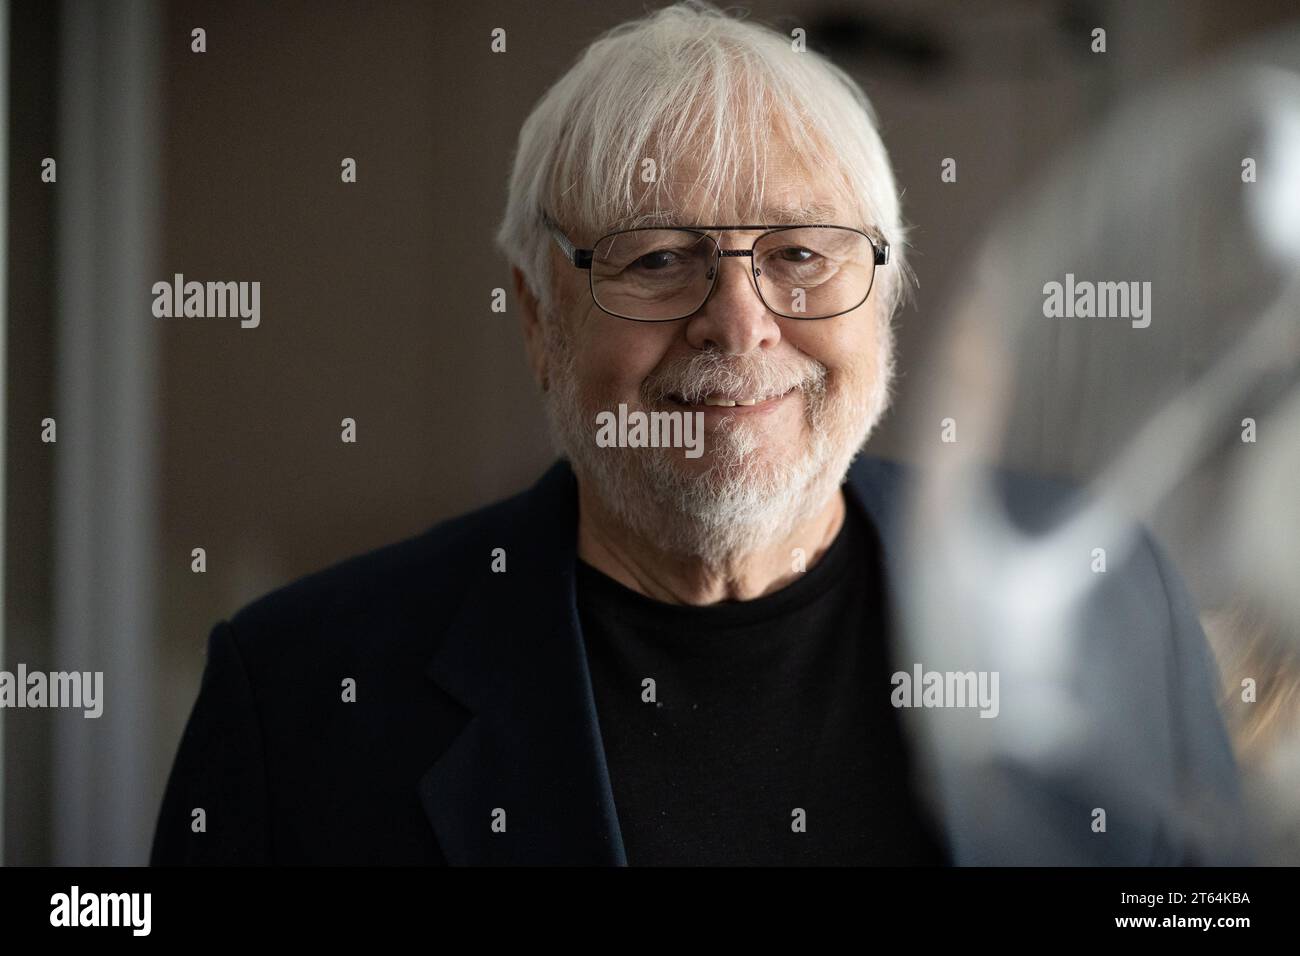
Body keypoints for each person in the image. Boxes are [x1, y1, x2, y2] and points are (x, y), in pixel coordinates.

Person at [151, 0, 1242, 866]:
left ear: (885, 290)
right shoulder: (298, 693)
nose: (736, 322)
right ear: (539, 316)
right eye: (657, 256)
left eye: (802, 253)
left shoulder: (1099, 587)